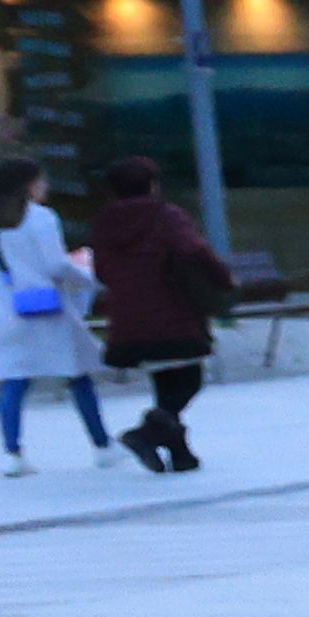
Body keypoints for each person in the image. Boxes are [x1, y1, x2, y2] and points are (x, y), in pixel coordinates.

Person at [85, 153, 231, 473]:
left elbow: (101, 270)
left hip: (128, 317)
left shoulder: (104, 222)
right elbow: (193, 250)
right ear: (152, 185)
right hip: (173, 310)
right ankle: (145, 434)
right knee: (189, 379)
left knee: (165, 377)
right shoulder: (166, 215)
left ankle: (180, 454)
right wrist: (222, 280)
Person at [0, 152, 112, 472]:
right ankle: (102, 445)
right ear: (29, 184)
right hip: (49, 311)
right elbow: (55, 265)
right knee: (78, 376)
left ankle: (13, 453)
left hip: (6, 314)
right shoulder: (40, 218)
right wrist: (86, 275)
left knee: (14, 382)